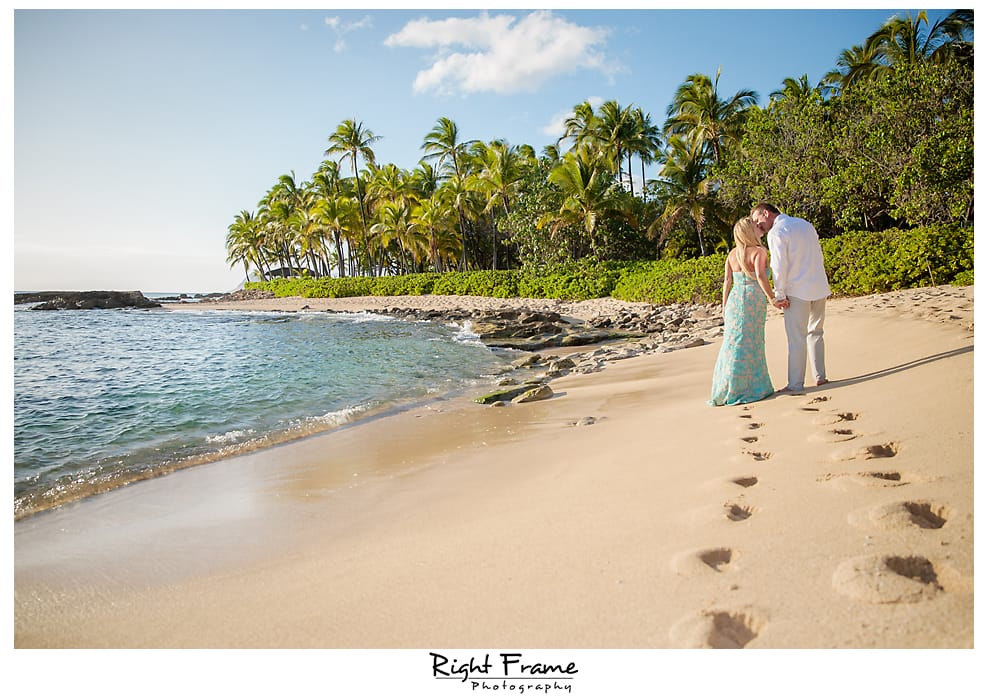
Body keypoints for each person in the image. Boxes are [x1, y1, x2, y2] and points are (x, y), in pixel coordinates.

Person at [750, 202, 831, 393]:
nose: (757, 225)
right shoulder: (805, 224)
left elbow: (779, 266)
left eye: (756, 220)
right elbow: (818, 255)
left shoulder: (776, 232)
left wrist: (778, 295)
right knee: (816, 332)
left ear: (765, 213)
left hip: (797, 290)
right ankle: (820, 377)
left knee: (796, 339)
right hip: (819, 285)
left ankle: (795, 384)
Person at [708, 216, 777, 406]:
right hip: (753, 300)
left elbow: (727, 282)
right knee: (752, 342)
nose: (758, 228)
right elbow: (762, 277)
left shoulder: (732, 254)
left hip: (734, 301)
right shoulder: (759, 252)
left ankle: (727, 387)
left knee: (733, 342)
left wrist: (724, 306)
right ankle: (751, 387)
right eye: (755, 226)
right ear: (749, 232)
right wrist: (772, 298)